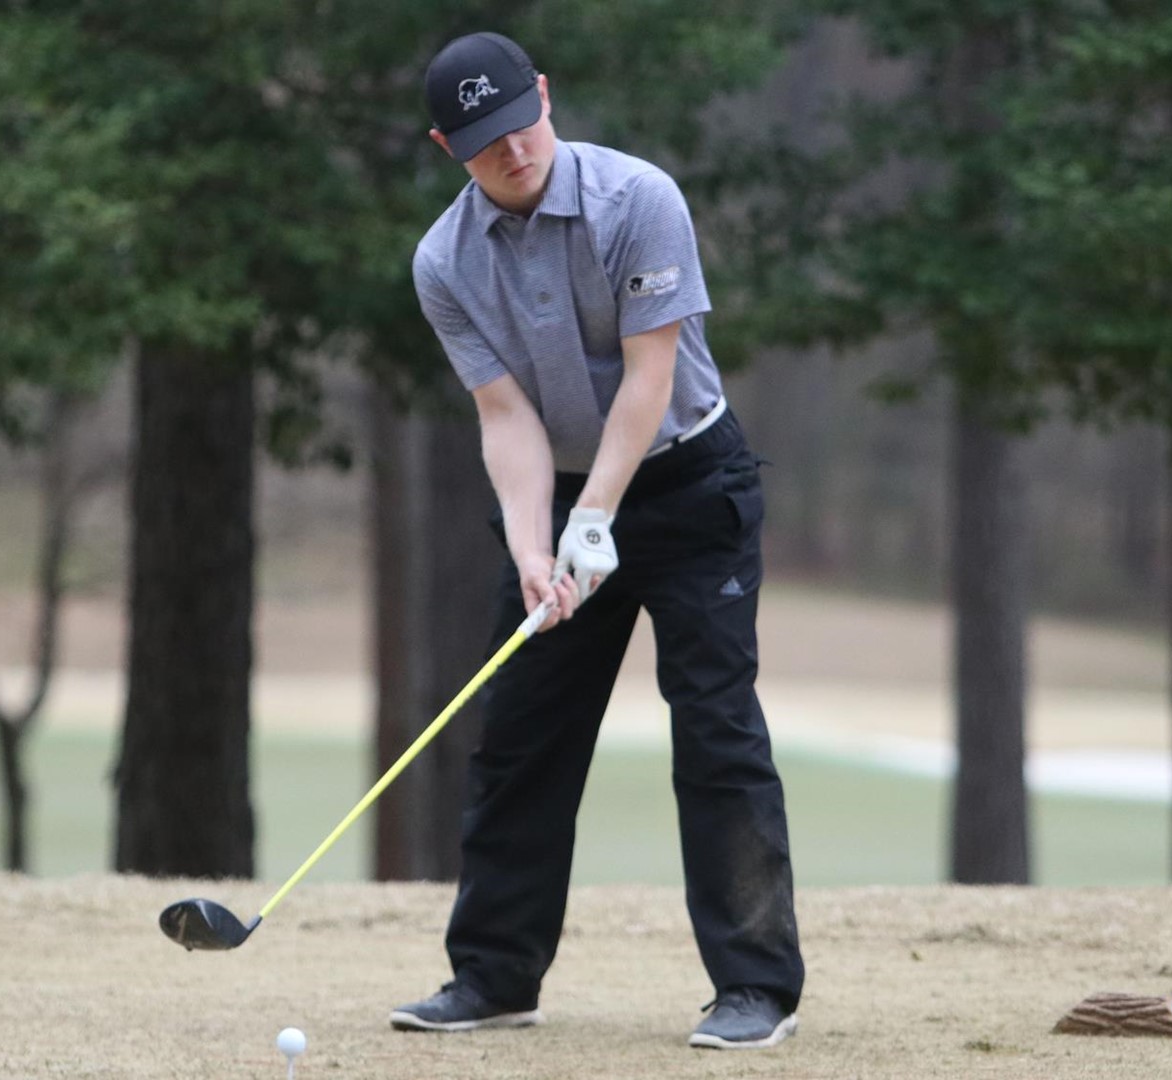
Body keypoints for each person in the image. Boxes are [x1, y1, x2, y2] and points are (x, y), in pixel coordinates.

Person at [388, 31, 804, 1051]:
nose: (514, 152)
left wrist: (592, 520)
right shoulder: (444, 263)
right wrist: (536, 549)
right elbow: (506, 418)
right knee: (521, 733)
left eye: (520, 125)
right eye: (484, 143)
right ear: (448, 145)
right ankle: (494, 977)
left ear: (542, 95)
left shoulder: (638, 200)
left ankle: (754, 989)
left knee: (714, 730)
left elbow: (648, 380)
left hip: (689, 482)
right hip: (567, 494)